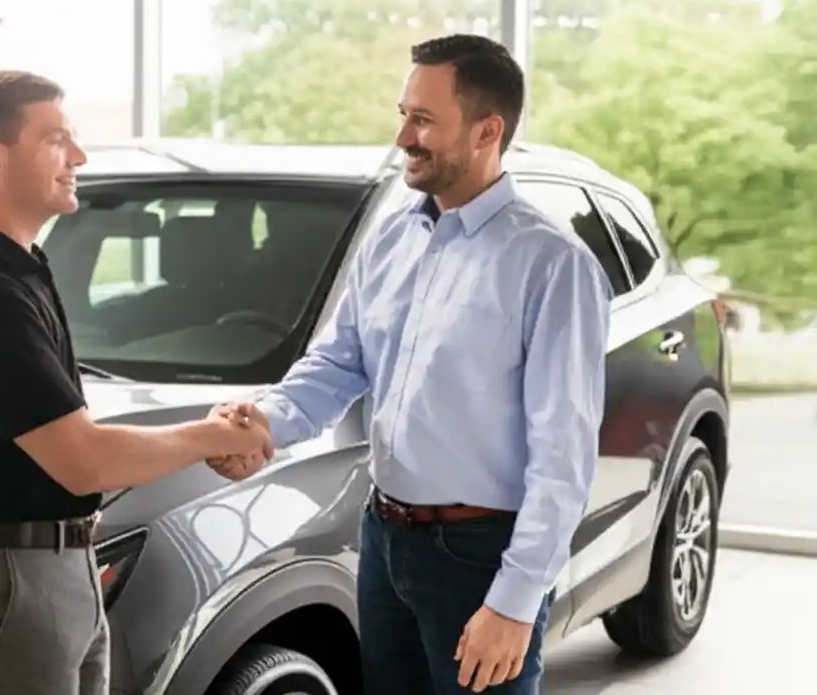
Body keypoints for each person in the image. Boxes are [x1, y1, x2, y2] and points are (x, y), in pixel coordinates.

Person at [218, 34, 612, 693]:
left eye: (423, 119)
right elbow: (340, 363)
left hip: (481, 555)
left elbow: (563, 456)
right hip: (385, 538)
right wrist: (263, 423)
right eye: (403, 113)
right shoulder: (394, 237)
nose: (403, 136)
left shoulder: (551, 265)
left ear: (488, 130)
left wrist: (514, 603)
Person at [0, 70, 271, 695]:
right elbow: (84, 461)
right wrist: (213, 436)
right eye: (56, 140)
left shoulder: (15, 266)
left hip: (44, 569)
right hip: (8, 582)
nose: (79, 157)